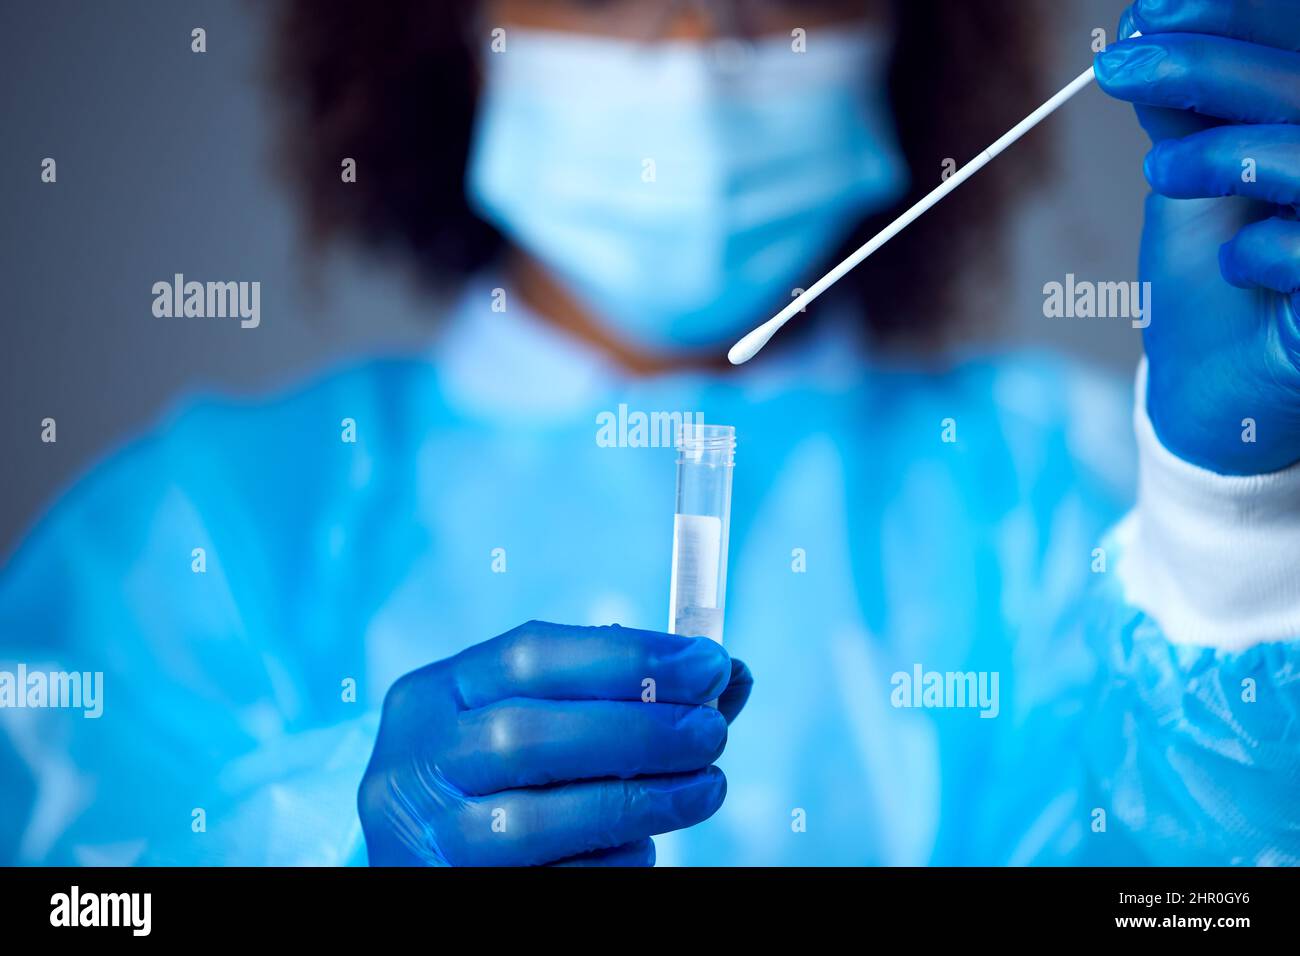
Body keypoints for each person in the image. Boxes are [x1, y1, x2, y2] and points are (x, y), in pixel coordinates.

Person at [2, 0, 1298, 866]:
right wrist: (324, 839)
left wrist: (1237, 522)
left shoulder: (1099, 493)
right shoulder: (195, 534)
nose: (690, 36)